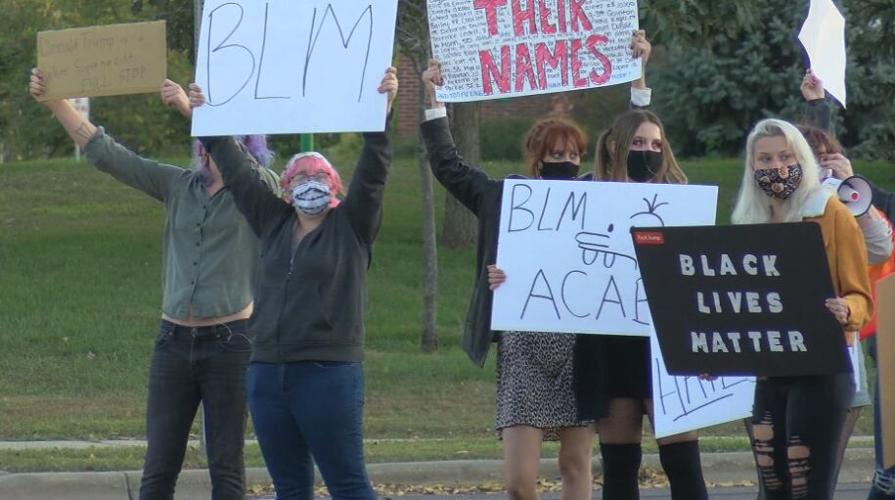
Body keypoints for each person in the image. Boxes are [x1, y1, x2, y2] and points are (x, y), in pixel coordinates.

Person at [28, 69, 279, 500]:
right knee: (159, 469)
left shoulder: (259, 191)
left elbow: (245, 170)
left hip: (230, 344)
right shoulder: (178, 186)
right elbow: (107, 153)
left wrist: (189, 109)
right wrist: (56, 103)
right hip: (173, 343)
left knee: (226, 468)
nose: (209, 147)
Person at [188, 67, 397, 500]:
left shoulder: (351, 227)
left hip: (327, 373)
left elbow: (373, 175)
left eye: (319, 177)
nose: (310, 184)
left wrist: (379, 119)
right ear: (285, 189)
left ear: (335, 187)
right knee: (289, 488)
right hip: (266, 374)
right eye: (299, 178)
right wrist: (207, 117)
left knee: (348, 484)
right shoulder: (273, 222)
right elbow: (239, 172)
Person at [732, 118, 872, 499]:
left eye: (784, 156)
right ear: (752, 166)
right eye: (764, 158)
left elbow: (861, 295)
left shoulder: (831, 212)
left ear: (802, 159)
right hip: (769, 368)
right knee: (773, 486)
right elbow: (738, 302)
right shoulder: (749, 221)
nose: (774, 166)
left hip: (821, 367)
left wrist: (847, 310)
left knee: (807, 486)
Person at [584, 108, 707, 500]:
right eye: (638, 143)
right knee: (619, 466)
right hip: (610, 342)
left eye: (656, 144)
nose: (648, 151)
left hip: (665, 342)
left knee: (683, 462)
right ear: (617, 145)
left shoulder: (680, 201)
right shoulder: (588, 195)